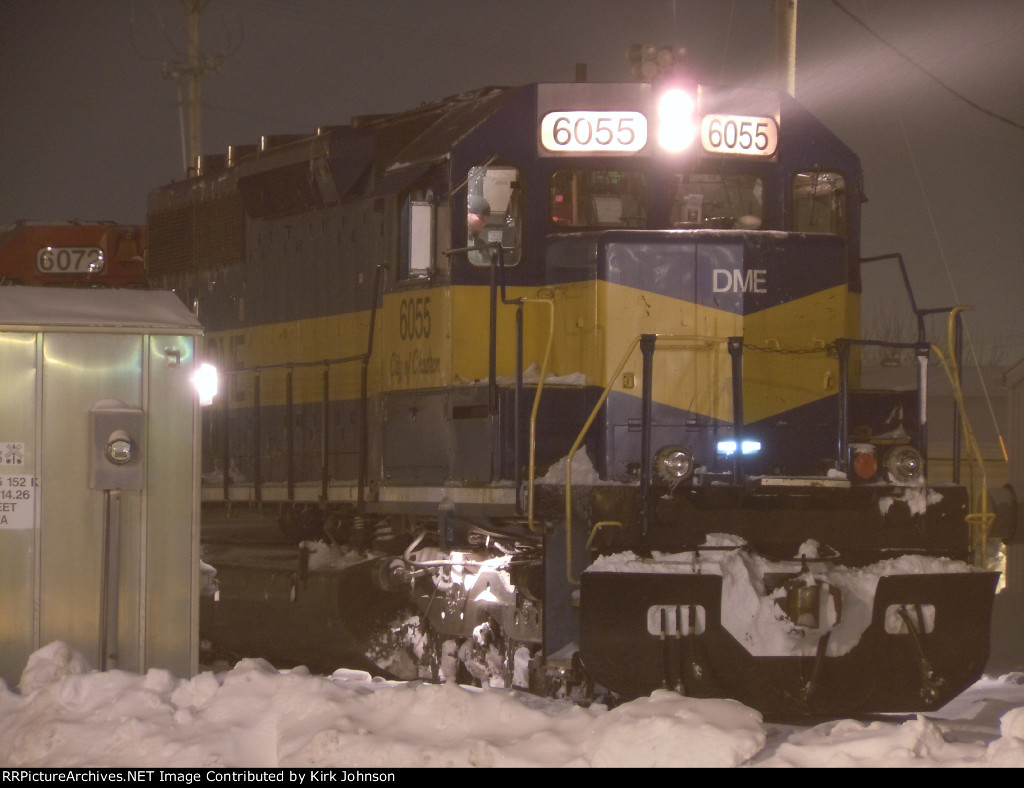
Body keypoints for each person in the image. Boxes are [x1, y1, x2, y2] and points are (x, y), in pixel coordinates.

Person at [467, 195, 491, 264]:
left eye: (486, 219)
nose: (484, 223)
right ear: (468, 212)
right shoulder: (456, 241)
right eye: (481, 218)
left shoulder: (481, 244)